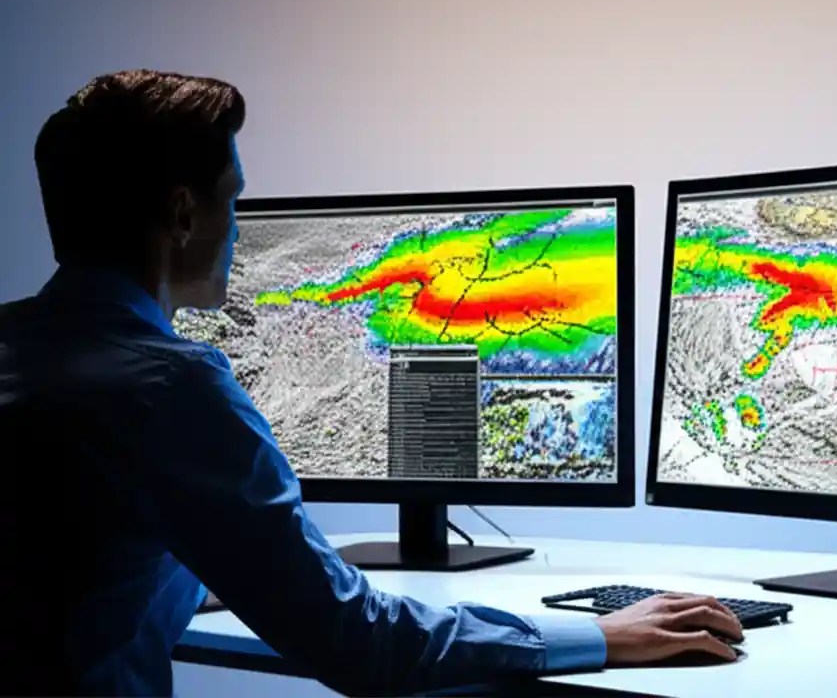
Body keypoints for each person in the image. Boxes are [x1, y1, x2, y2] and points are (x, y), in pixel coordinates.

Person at [0, 69, 742, 697]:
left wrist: (239, 566)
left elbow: (77, 559)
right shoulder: (170, 388)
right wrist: (596, 637)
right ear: (184, 215)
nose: (239, 224)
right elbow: (355, 641)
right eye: (235, 197)